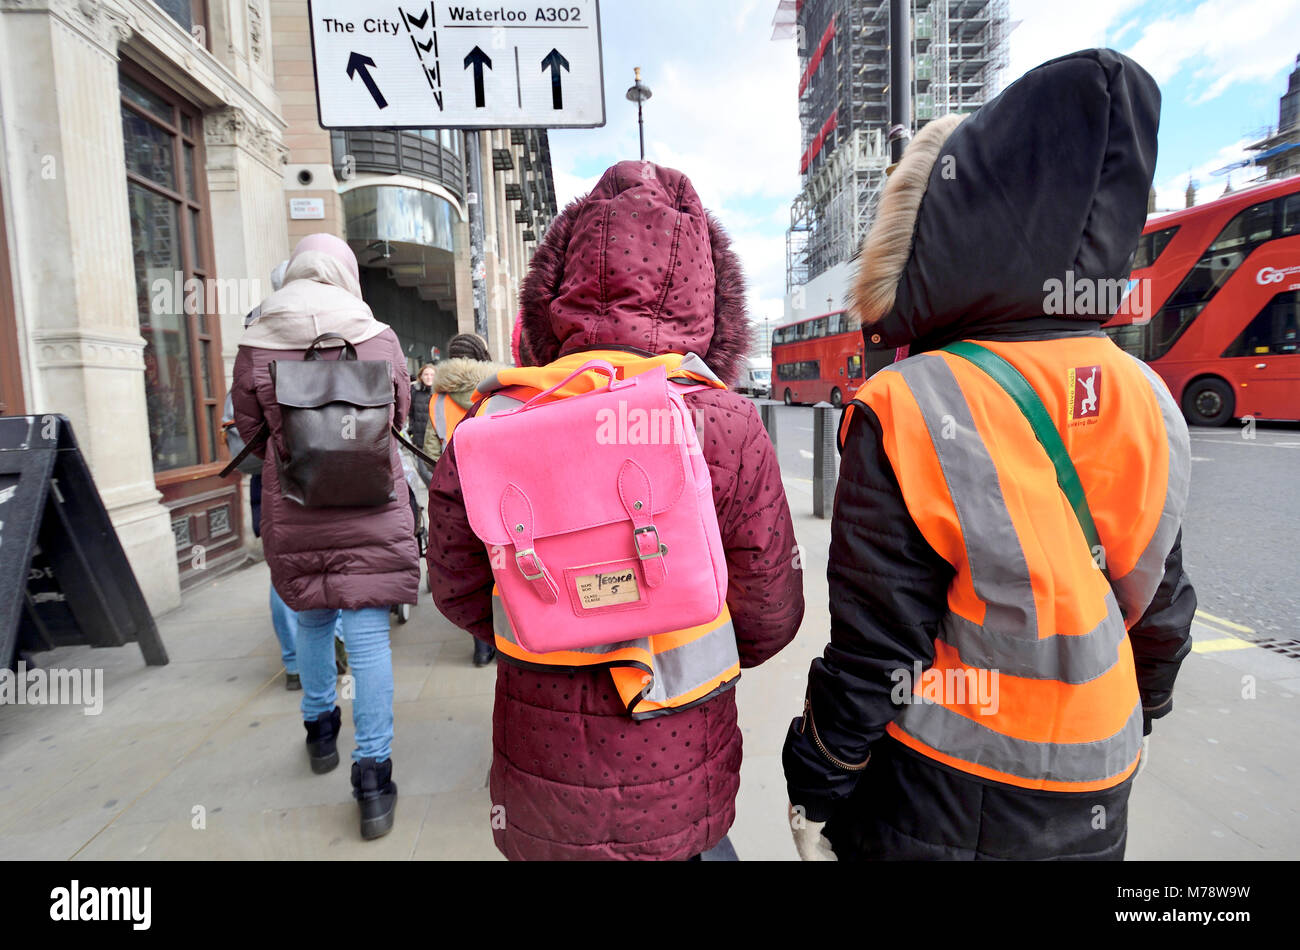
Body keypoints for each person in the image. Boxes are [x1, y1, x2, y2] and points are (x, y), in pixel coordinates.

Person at [782, 49, 1196, 861]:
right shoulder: (1147, 397)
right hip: (1101, 779)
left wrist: (817, 779)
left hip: (942, 782)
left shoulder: (910, 401)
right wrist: (1125, 717)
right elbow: (1164, 607)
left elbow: (876, 646)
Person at [427, 161, 804, 860]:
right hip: (681, 754)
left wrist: (557, 620)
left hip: (541, 773)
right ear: (708, 295)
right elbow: (770, 613)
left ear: (554, 291)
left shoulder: (494, 422)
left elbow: (455, 589)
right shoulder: (724, 422)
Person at [231, 233, 418, 841]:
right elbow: (401, 412)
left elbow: (249, 430)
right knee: (367, 640)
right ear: (344, 273)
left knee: (311, 621)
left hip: (296, 503)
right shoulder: (378, 335)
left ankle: (319, 733)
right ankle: (373, 779)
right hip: (372, 504)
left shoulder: (256, 341)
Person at [422, 332, 506, 666]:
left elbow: (431, 451)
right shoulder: (499, 391)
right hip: (495, 489)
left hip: (454, 491)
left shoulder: (437, 401)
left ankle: (480, 646)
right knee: (497, 564)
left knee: (466, 564)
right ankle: (505, 636)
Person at [408, 364, 437, 484]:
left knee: (436, 471)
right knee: (424, 472)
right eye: (426, 374)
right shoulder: (414, 392)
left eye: (432, 374)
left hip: (435, 441)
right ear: (421, 376)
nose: (429, 377)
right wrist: (411, 432)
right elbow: (411, 413)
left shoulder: (440, 393)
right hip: (420, 440)